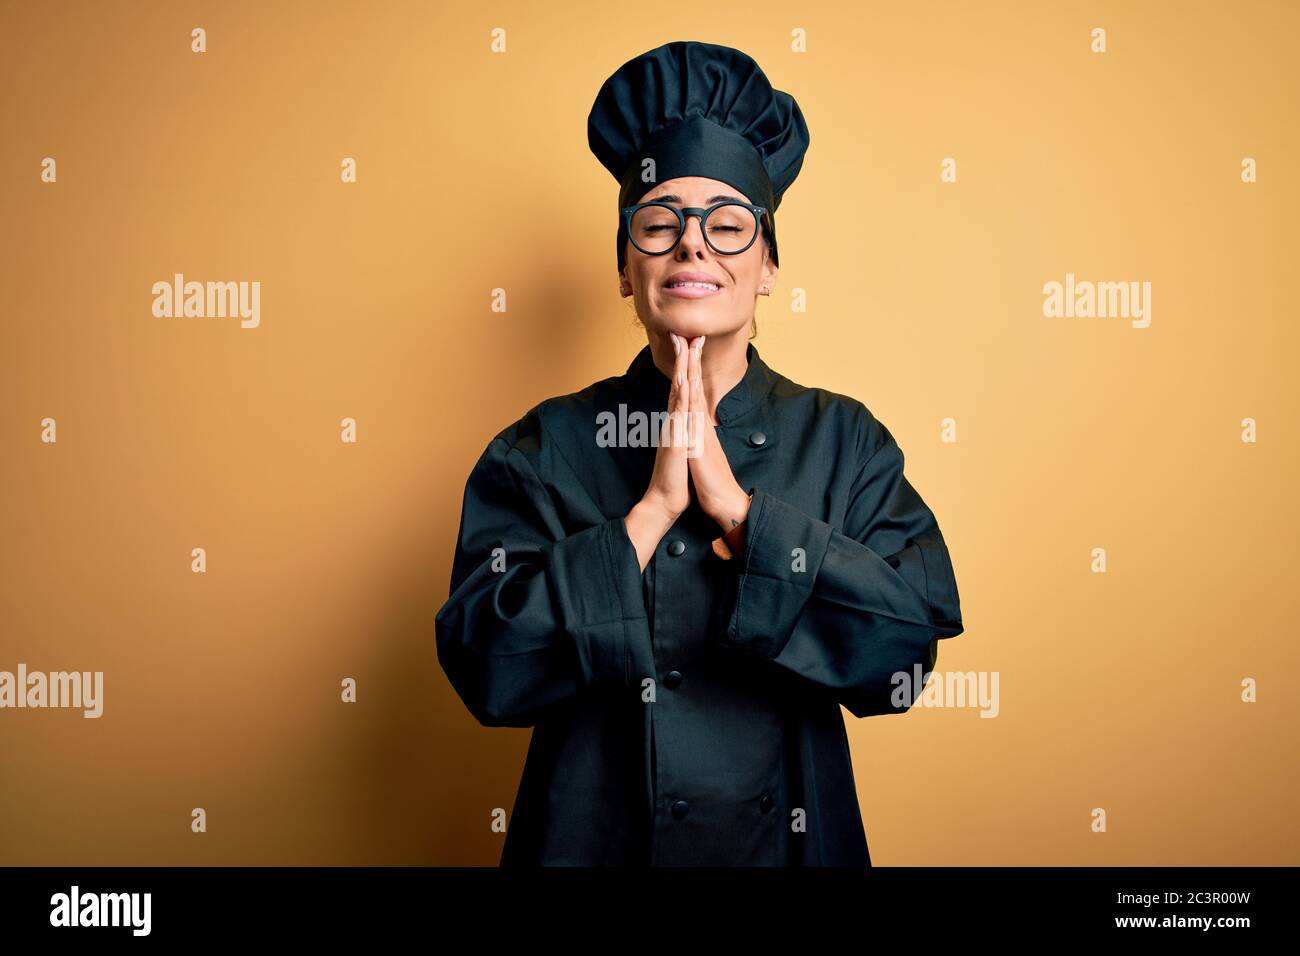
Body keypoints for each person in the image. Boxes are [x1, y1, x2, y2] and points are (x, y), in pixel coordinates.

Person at [435, 40, 964, 866]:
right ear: (624, 268)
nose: (692, 247)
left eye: (726, 225)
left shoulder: (846, 439)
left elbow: (901, 655)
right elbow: (484, 665)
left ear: (767, 268)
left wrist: (742, 515)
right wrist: (647, 518)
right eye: (658, 224)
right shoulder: (541, 447)